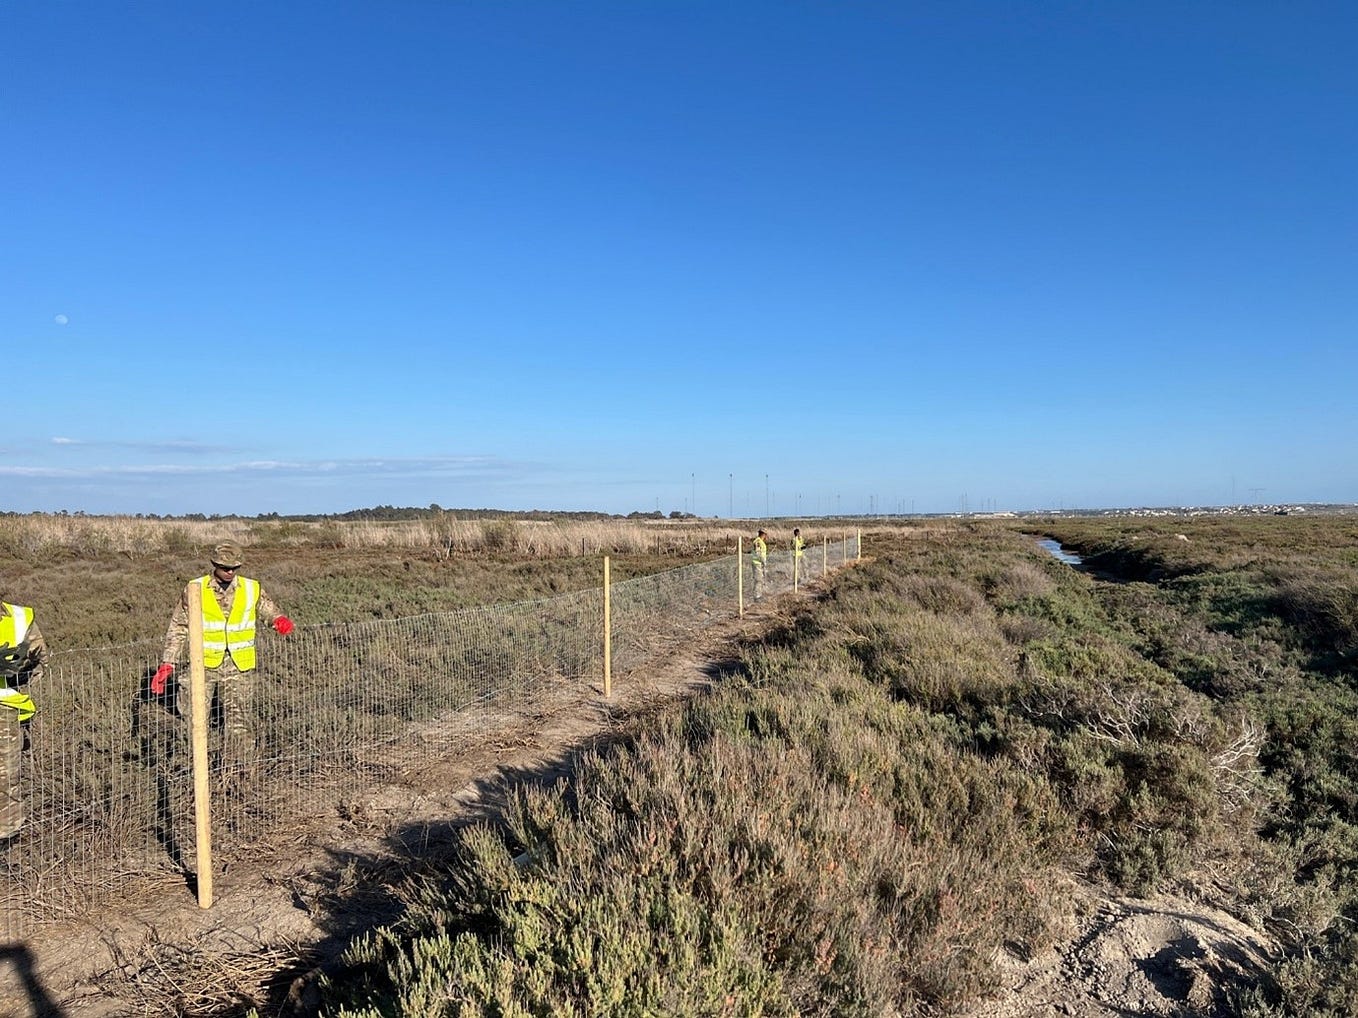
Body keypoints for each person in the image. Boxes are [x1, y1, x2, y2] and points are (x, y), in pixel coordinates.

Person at [152, 542, 294, 779]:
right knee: (193, 722)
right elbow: (178, 627)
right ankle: (191, 773)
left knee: (239, 724)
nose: (230, 572)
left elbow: (268, 609)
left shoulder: (251, 588)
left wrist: (278, 620)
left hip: (239, 666)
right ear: (214, 565)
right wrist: (168, 663)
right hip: (202, 665)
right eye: (224, 567)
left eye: (234, 567)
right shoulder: (194, 588)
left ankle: (240, 774)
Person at [0, 600, 48, 844]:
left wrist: (22, 670)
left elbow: (41, 661)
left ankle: (7, 844)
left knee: (7, 783)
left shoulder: (19, 618)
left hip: (6, 714)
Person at [750, 528, 769, 601]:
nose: (766, 536)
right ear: (763, 534)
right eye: (766, 535)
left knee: (760, 579)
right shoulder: (758, 542)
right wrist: (763, 562)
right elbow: (758, 553)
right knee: (758, 580)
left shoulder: (760, 542)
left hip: (759, 563)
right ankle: (757, 597)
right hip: (757, 563)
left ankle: (759, 595)